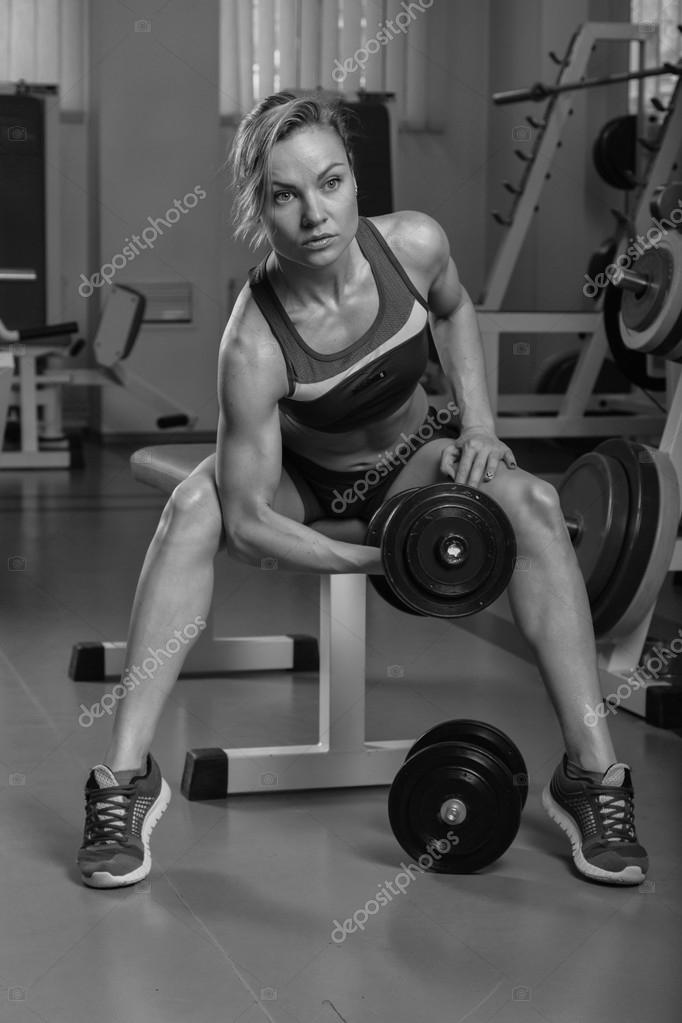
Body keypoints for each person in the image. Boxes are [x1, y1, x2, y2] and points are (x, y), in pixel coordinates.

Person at [77, 91, 648, 889]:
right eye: (286, 195)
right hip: (305, 481)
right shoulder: (253, 342)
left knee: (537, 506)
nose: (316, 214)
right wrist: (381, 560)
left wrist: (481, 424)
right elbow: (249, 522)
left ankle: (591, 775)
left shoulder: (414, 244)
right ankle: (124, 780)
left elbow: (454, 309)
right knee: (195, 508)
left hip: (412, 457)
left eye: (331, 182)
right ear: (259, 210)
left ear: (353, 178)